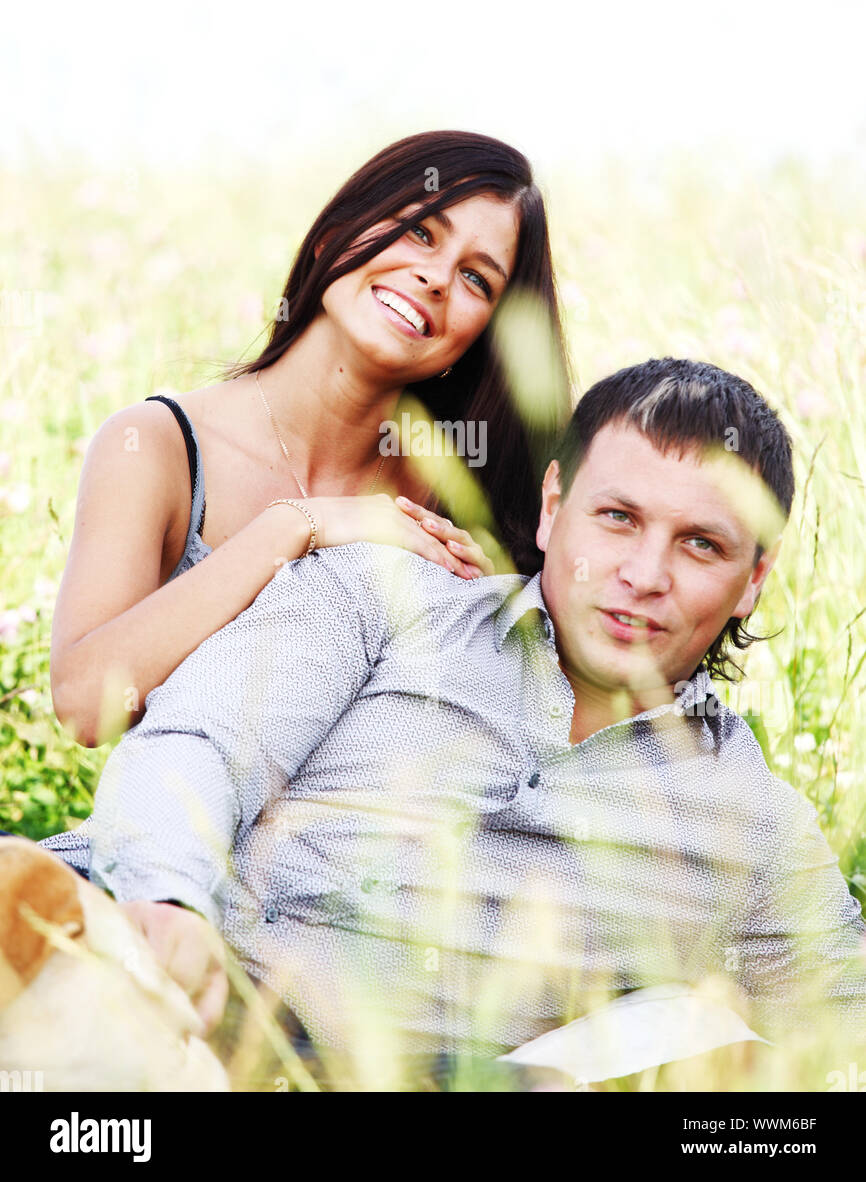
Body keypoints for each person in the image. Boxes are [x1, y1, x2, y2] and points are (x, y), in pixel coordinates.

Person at [41, 359, 866, 1081]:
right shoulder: (376, 600)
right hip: (178, 996)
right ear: (553, 509)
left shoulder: (756, 824)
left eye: (700, 545)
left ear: (754, 579)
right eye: (617, 518)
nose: (645, 574)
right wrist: (169, 901)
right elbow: (199, 745)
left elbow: (844, 1026)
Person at [47, 130, 571, 753]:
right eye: (420, 231)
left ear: (480, 338)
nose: (435, 277)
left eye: (476, 280)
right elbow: (86, 707)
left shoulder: (467, 498)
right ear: (337, 233)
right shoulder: (155, 447)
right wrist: (295, 526)